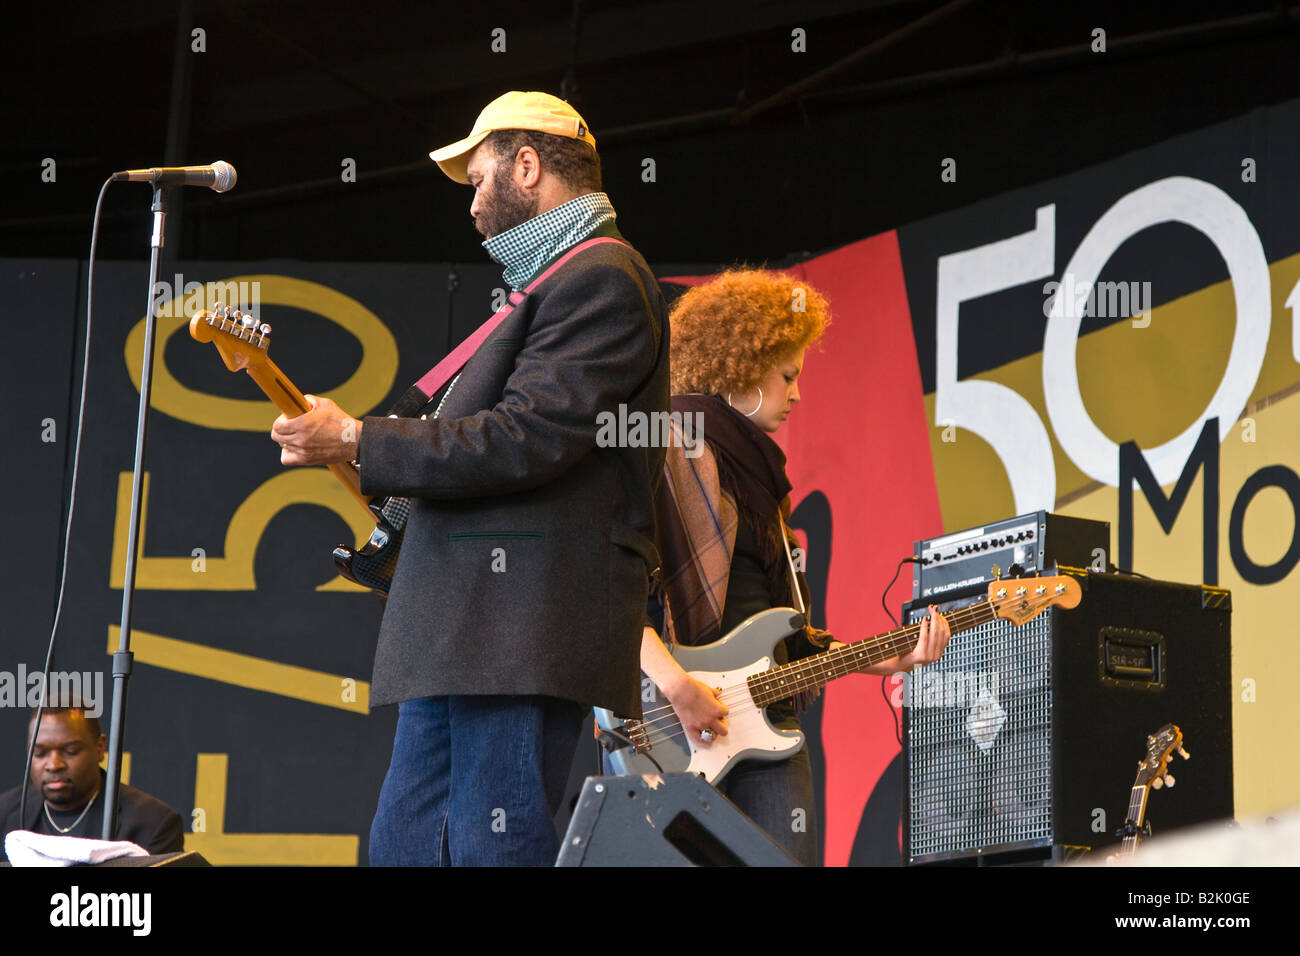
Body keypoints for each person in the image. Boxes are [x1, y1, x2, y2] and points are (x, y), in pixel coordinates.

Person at [271, 91, 669, 866]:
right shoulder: (558, 284)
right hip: (474, 623)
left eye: (482, 179)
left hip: (516, 622)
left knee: (492, 846)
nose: (475, 203)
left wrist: (356, 434)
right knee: (406, 848)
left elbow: (526, 438)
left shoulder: (603, 277)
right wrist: (354, 446)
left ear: (528, 166)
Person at [637, 269, 951, 866]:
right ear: (740, 367)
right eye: (787, 376)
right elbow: (609, 593)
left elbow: (788, 640)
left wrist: (901, 655)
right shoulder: (663, 445)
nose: (797, 395)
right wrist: (678, 687)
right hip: (674, 722)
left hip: (767, 716)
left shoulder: (762, 479)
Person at [0, 705, 184, 860]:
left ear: (100, 747)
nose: (54, 765)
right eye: (40, 753)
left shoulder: (152, 822)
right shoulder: (5, 813)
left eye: (71, 751)